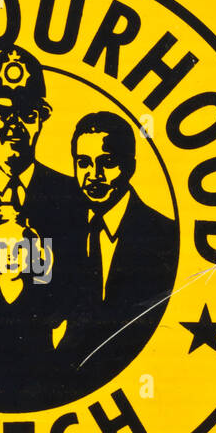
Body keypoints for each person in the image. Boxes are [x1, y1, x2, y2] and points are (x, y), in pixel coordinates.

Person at [0, 46, 86, 411]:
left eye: (26, 114)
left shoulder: (71, 197)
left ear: (41, 120)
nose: (13, 125)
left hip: (51, 377)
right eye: (1, 113)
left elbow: (77, 289)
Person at [66, 110, 178, 388]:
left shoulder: (166, 237)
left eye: (106, 162)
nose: (94, 175)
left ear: (130, 166)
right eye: (83, 163)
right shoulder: (64, 230)